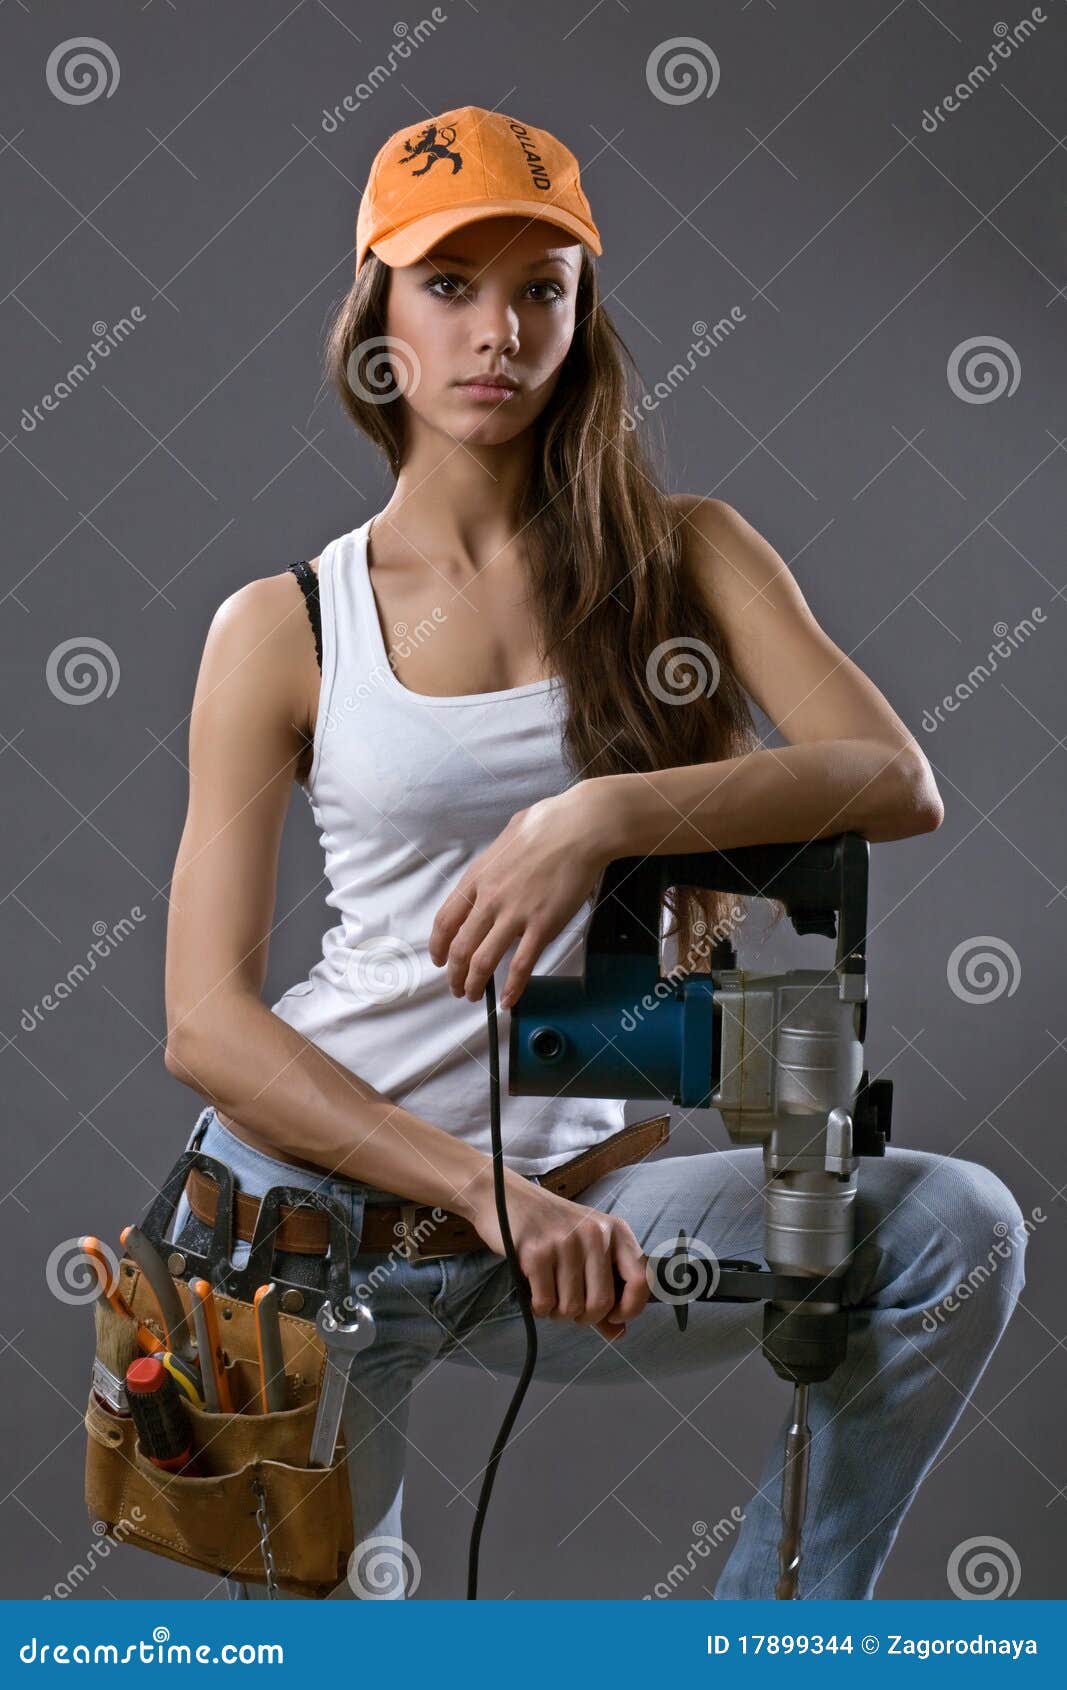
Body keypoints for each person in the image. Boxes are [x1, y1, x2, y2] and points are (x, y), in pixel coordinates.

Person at [161, 105, 1026, 1600]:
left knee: (959, 1231)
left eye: (540, 289)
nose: (495, 332)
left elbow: (893, 778)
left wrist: (600, 815)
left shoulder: (688, 556)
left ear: (582, 316)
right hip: (318, 1229)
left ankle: (772, 1645)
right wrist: (478, 1187)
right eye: (449, 286)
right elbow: (203, 1024)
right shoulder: (284, 625)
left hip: (583, 1220)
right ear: (377, 317)